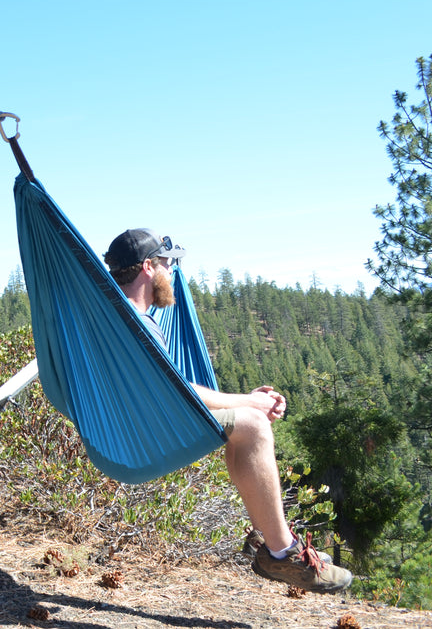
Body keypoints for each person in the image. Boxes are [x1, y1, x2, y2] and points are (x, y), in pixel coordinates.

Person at [103, 228, 353, 594]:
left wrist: (245, 399)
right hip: (139, 438)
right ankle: (282, 553)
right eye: (168, 263)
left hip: (135, 425)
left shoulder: (114, 316)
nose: (171, 272)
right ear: (147, 267)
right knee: (252, 424)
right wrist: (252, 403)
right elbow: (175, 392)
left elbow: (172, 386)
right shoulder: (132, 323)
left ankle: (273, 543)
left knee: (245, 426)